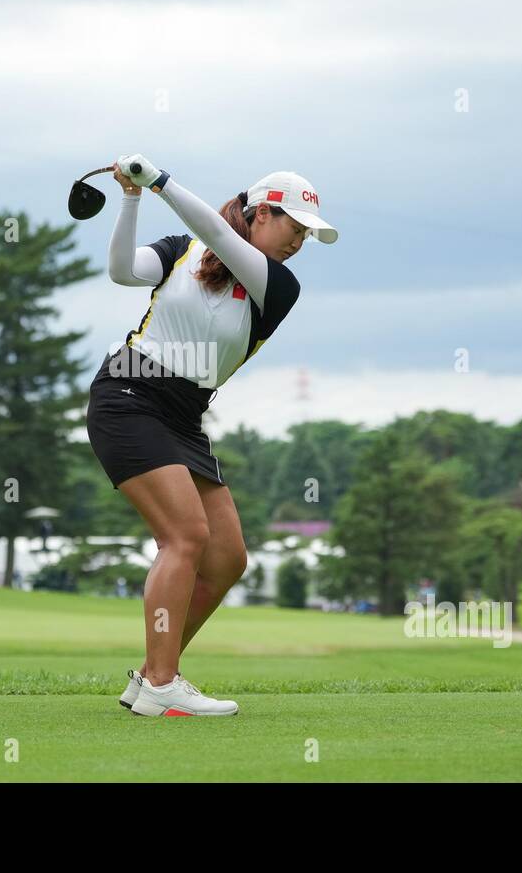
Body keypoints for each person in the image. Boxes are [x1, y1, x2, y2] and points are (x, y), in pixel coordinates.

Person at [89, 153, 338, 717]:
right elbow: (124, 271)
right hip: (129, 393)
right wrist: (132, 198)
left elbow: (219, 236)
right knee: (185, 537)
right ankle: (160, 683)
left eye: (308, 235)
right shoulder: (182, 249)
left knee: (227, 559)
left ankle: (154, 675)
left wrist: (160, 182)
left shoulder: (278, 286)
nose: (300, 241)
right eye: (294, 227)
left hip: (183, 418)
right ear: (260, 212)